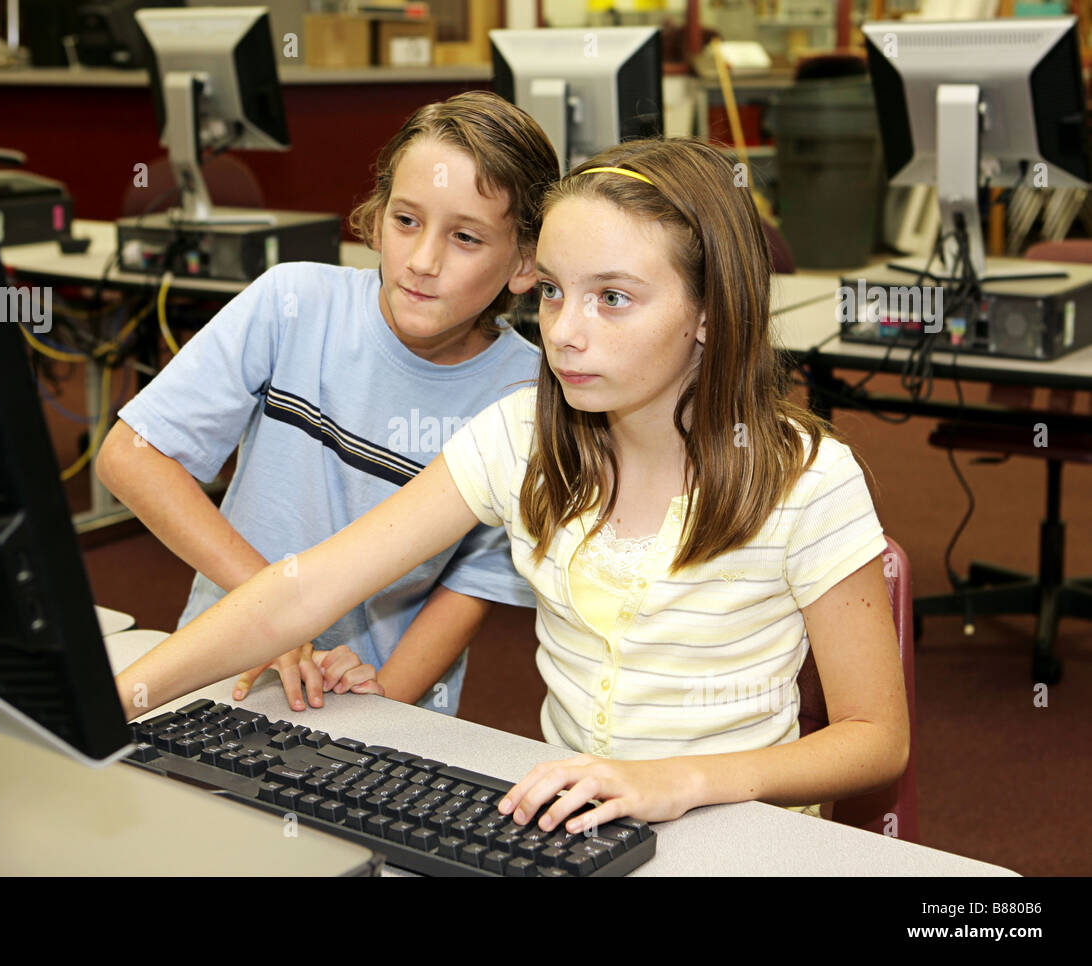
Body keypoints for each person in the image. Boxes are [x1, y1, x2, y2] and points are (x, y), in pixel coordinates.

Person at [113, 136, 910, 835]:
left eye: (614, 298)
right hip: (569, 819)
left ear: (709, 310)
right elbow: (301, 591)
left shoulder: (805, 477)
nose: (565, 330)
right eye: (556, 291)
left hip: (741, 830)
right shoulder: (520, 439)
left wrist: (681, 781)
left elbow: (876, 736)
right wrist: (118, 695)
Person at [97, 91, 559, 716]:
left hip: (370, 692)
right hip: (218, 664)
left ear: (525, 262)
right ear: (376, 216)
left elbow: (470, 590)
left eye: (466, 237)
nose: (422, 261)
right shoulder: (293, 303)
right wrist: (275, 613)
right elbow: (130, 456)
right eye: (406, 221)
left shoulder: (529, 396)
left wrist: (381, 703)